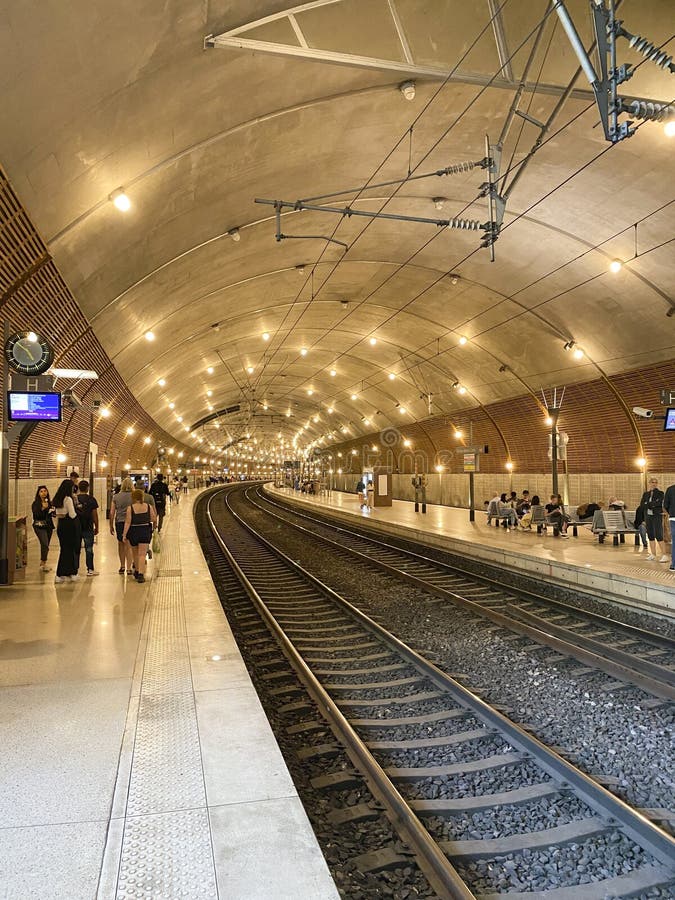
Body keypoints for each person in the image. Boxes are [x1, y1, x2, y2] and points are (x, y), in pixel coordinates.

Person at [122, 489, 157, 583]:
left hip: (134, 531)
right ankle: (141, 574)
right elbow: (153, 518)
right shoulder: (148, 506)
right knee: (142, 554)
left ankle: (137, 571)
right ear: (142, 497)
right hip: (145, 530)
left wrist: (124, 534)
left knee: (135, 553)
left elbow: (127, 522)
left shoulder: (130, 508)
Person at [53, 478, 81, 582]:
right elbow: (72, 514)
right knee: (71, 550)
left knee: (64, 550)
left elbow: (58, 514)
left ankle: (64, 573)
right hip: (70, 526)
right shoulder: (68, 499)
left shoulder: (58, 498)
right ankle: (68, 573)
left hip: (61, 526)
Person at [637, 477, 667, 562]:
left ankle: (664, 555)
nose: (654, 484)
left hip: (656, 516)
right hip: (648, 516)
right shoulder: (646, 494)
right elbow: (642, 505)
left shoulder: (660, 493)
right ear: (649, 483)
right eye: (652, 482)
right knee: (650, 535)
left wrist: (648, 504)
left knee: (659, 535)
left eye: (655, 482)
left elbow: (658, 503)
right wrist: (651, 504)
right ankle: (653, 554)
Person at [110, 476, 134, 574]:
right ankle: (129, 568)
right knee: (129, 545)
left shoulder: (116, 497)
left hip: (119, 522)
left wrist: (110, 525)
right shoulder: (134, 496)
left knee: (120, 544)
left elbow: (112, 512)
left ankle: (122, 566)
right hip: (131, 522)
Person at [76, 480, 99, 575]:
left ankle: (75, 569)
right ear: (87, 488)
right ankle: (90, 569)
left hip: (76, 527)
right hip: (88, 526)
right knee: (89, 549)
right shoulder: (91, 499)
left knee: (76, 549)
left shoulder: (74, 499)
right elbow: (95, 514)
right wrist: (97, 526)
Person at [31, 485, 55, 573]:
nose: (44, 493)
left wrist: (52, 511)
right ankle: (42, 562)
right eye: (41, 491)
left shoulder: (49, 502)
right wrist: (43, 508)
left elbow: (52, 514)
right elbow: (36, 515)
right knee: (44, 543)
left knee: (46, 545)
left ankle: (44, 562)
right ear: (38, 493)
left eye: (45, 491)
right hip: (39, 526)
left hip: (48, 526)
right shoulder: (35, 504)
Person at [663, 482, 675, 571]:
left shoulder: (670, 489)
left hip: (673, 518)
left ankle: (673, 565)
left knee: (674, 542)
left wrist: (671, 513)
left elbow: (665, 505)